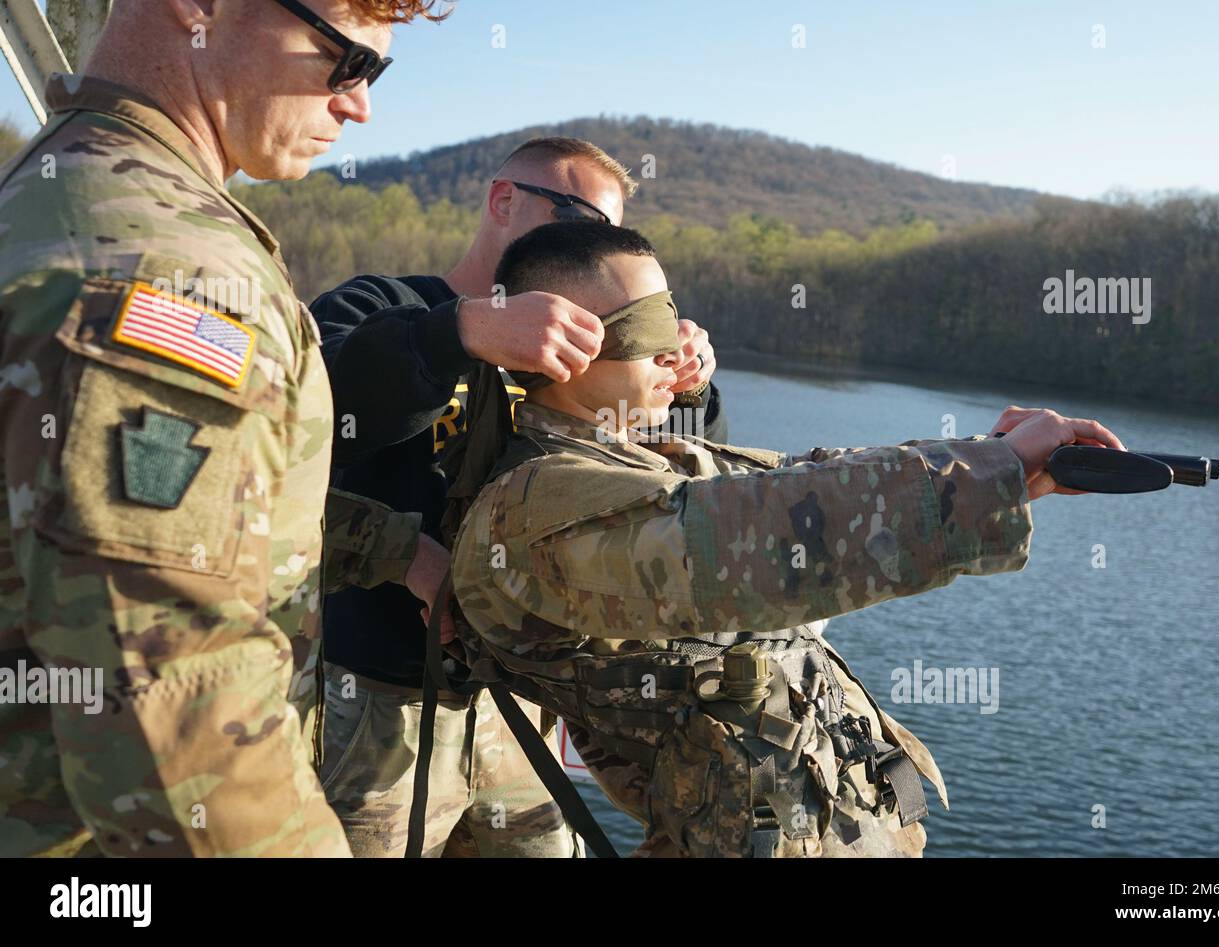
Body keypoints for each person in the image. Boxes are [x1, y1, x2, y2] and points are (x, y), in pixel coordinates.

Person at [444, 220, 1127, 857]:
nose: (672, 345)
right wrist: (987, 477)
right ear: (557, 340)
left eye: (673, 316)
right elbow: (762, 534)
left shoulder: (637, 460)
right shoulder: (531, 511)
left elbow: (803, 477)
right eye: (646, 324)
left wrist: (992, 454)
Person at [0, 0, 454, 857]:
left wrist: (394, 549)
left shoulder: (58, 189)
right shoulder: (165, 268)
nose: (360, 104)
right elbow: (175, 713)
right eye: (348, 60)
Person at [310, 137, 727, 856]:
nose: (589, 249)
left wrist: (688, 383)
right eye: (581, 220)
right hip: (379, 707)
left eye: (606, 236)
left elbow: (670, 471)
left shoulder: (586, 352)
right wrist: (462, 331)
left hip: (524, 710)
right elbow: (305, 420)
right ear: (504, 201)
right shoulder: (387, 305)